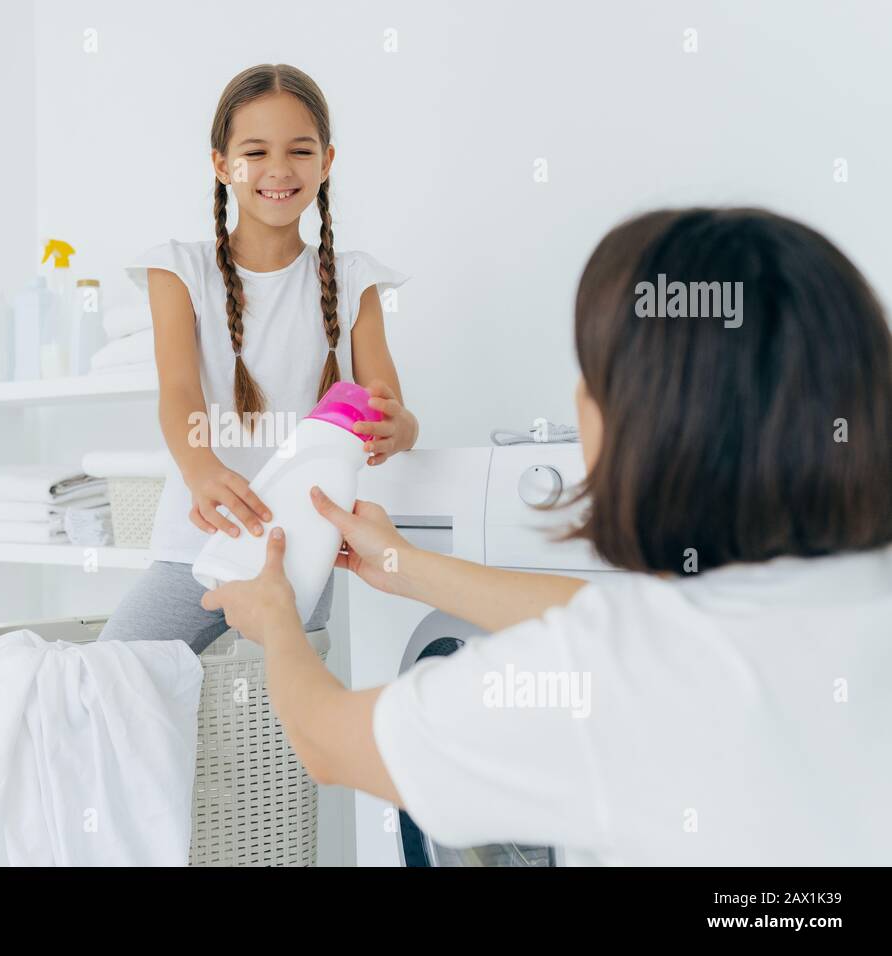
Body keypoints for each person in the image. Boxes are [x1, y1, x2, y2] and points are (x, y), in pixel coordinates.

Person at [203, 207, 892, 865]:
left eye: (591, 376)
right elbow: (636, 626)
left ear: (647, 430)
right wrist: (404, 565)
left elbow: (328, 739)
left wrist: (278, 619)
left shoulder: (608, 677)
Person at [98, 64, 418, 654]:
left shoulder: (354, 280)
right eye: (255, 151)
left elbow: (389, 407)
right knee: (116, 674)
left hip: (303, 554)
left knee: (279, 729)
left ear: (326, 163)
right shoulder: (178, 271)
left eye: (301, 150)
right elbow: (178, 393)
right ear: (222, 164)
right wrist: (201, 473)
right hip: (196, 547)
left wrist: (399, 429)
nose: (278, 169)